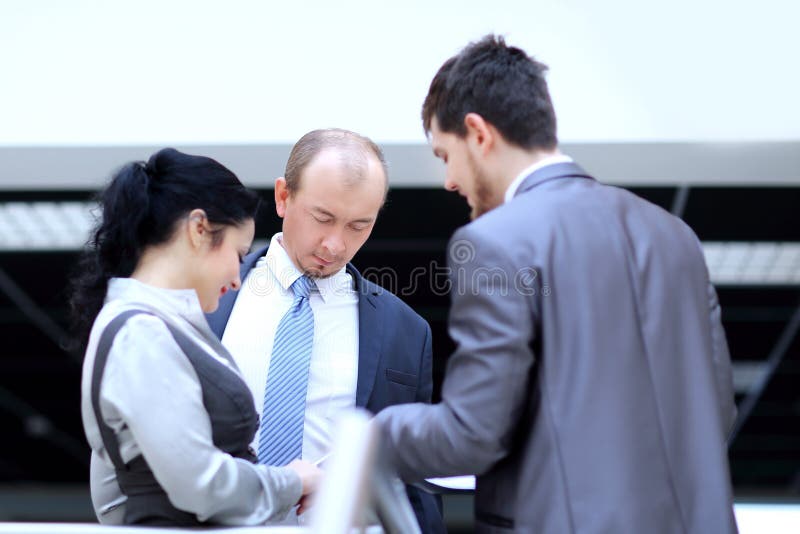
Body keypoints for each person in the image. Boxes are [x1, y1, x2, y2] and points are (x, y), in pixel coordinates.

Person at [375, 35, 738, 533]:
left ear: (479, 134)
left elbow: (473, 432)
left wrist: (372, 434)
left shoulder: (495, 240)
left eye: (445, 155)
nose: (449, 181)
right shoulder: (674, 235)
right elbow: (715, 411)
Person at [206, 128, 445, 533]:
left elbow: (413, 482)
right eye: (324, 218)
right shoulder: (204, 300)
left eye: (358, 226)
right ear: (283, 197)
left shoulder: (406, 333)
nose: (335, 244)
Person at [71, 148, 321, 527]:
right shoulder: (141, 334)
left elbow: (112, 487)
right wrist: (291, 481)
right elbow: (200, 483)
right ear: (198, 229)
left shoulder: (152, 326)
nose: (238, 278)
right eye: (238, 254)